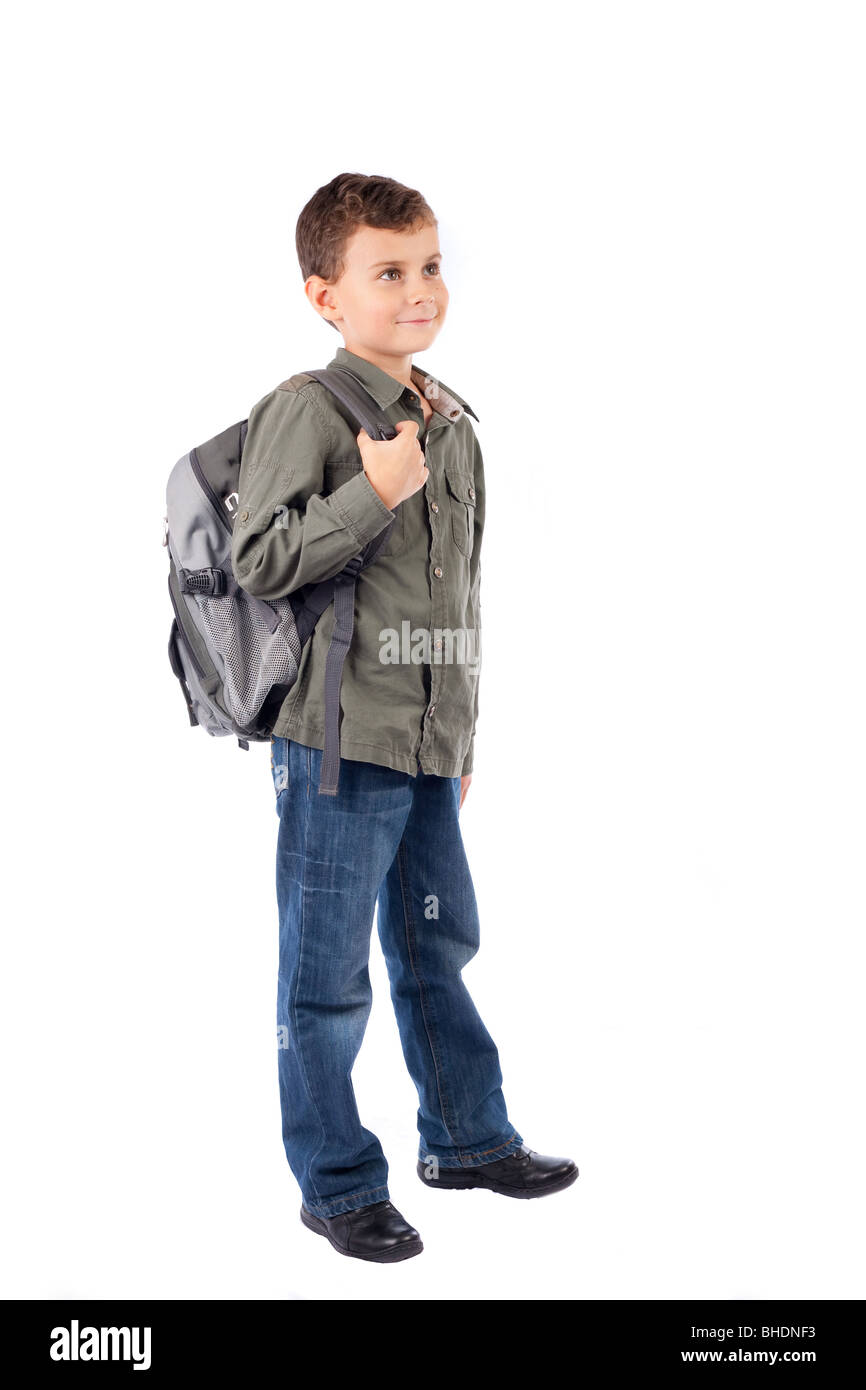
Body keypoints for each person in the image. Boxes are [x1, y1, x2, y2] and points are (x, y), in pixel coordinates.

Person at [231, 172, 578, 1263]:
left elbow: (454, 588)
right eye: (388, 271)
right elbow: (260, 561)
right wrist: (367, 493)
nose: (419, 290)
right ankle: (335, 1184)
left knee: (439, 940)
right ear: (324, 295)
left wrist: (458, 734)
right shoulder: (308, 410)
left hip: (424, 740)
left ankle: (466, 1138)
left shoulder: (450, 418)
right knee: (324, 977)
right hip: (334, 744)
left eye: (428, 266)